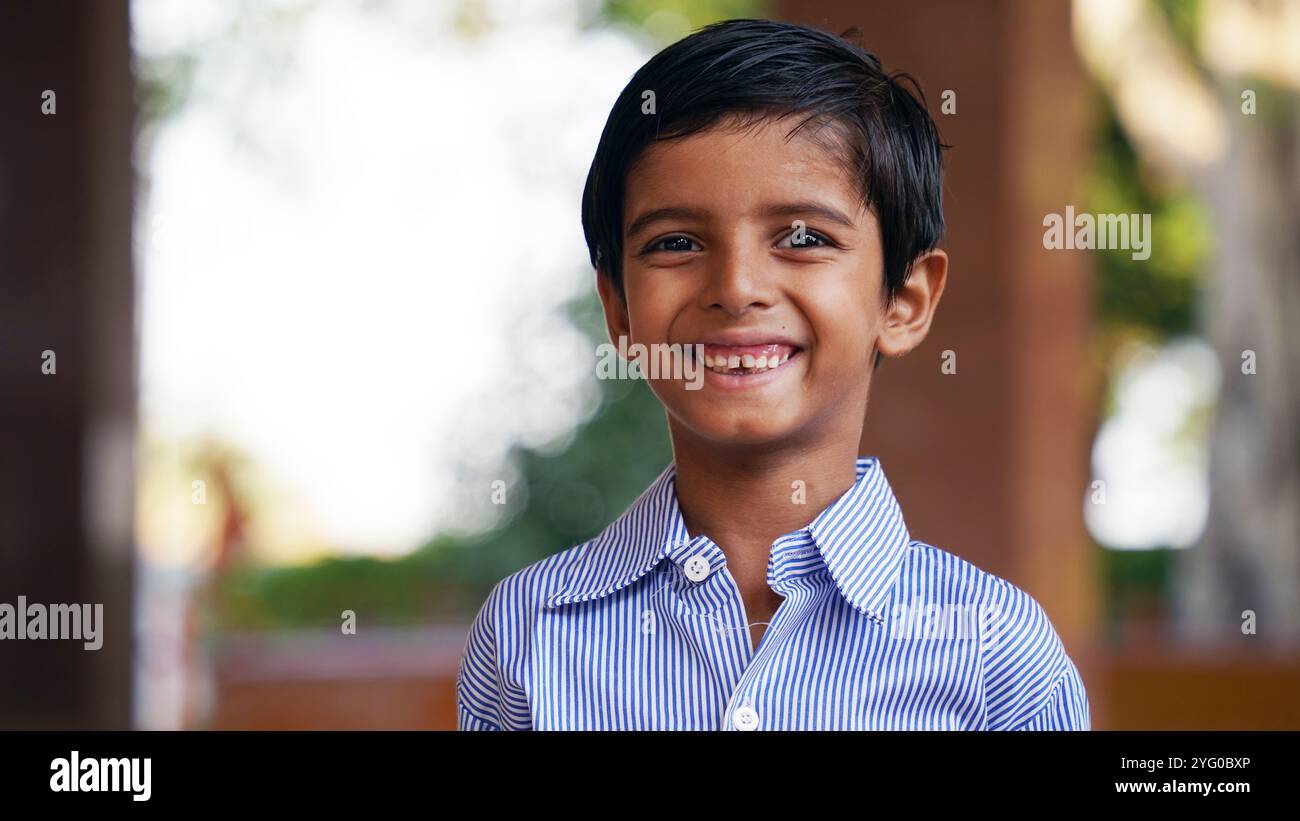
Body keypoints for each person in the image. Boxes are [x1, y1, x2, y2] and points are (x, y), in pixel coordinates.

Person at [456, 18, 1089, 730]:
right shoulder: (529, 635)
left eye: (803, 238)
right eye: (676, 242)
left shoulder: (993, 649)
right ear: (619, 309)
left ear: (905, 302)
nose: (737, 286)